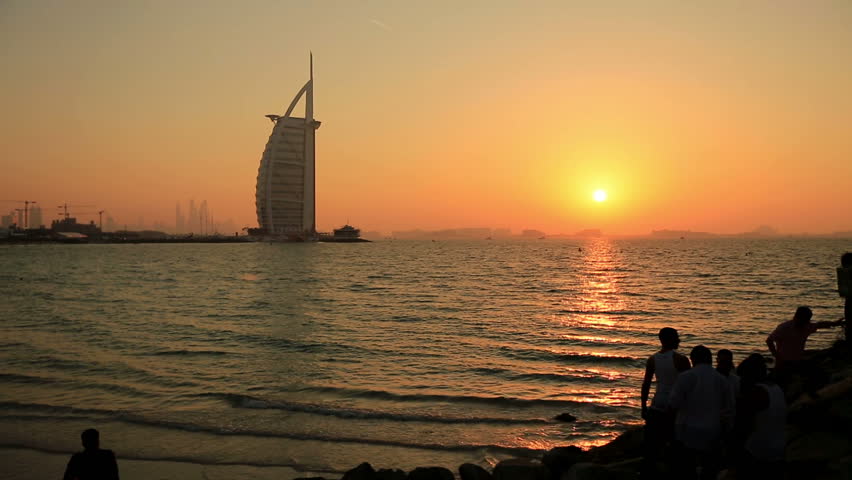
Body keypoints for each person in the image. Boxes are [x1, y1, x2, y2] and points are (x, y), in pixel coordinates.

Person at [668, 345, 735, 480]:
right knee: (709, 470)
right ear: (710, 359)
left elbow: (673, 404)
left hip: (687, 431)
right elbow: (729, 408)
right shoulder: (722, 380)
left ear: (693, 359)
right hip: (712, 431)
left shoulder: (685, 377)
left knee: (686, 469)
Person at [640, 327, 691, 477]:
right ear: (669, 339)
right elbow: (688, 385)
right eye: (676, 337)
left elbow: (646, 384)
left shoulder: (652, 359)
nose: (679, 340)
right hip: (674, 406)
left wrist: (643, 406)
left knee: (652, 445)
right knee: (675, 443)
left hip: (657, 404)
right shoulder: (681, 360)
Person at [733, 353, 786, 478]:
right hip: (779, 447)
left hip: (760, 450)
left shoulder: (756, 393)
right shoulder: (776, 388)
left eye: (743, 377)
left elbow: (743, 426)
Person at [765, 306, 844, 369]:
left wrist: (835, 323)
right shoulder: (784, 328)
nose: (808, 321)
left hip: (797, 360)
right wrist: (777, 356)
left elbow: (820, 324)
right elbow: (769, 340)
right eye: (806, 319)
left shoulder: (806, 326)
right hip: (783, 362)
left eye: (808, 319)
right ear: (797, 317)